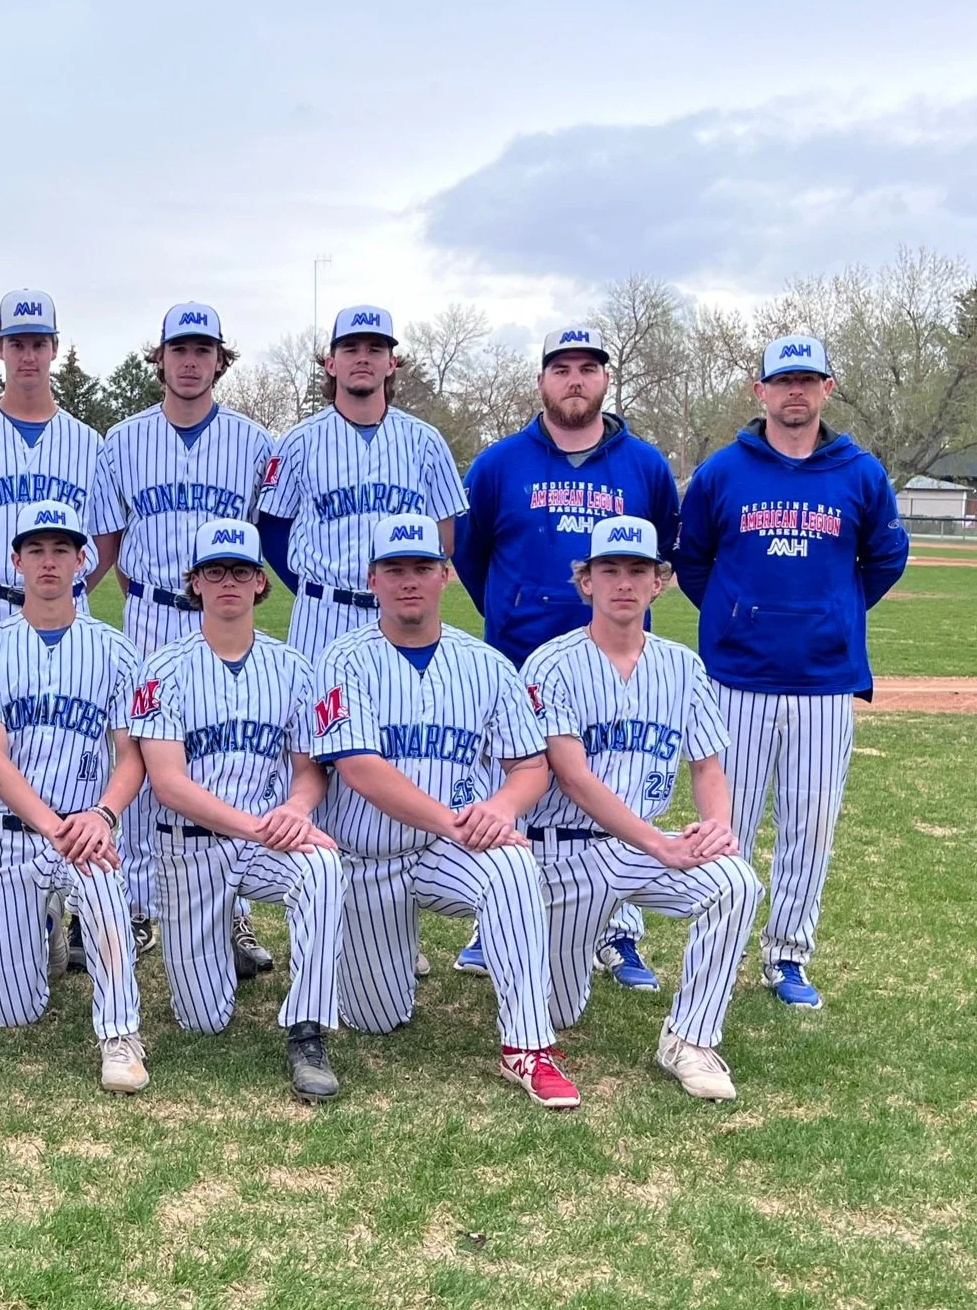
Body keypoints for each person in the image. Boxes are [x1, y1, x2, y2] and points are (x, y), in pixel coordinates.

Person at [311, 514, 578, 1110]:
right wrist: (456, 819)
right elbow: (359, 768)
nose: (410, 581)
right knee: (377, 1018)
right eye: (395, 569)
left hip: (445, 852)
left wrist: (501, 807)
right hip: (365, 858)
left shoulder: (486, 664)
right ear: (372, 579)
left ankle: (528, 1046)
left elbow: (531, 765)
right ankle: (377, 959)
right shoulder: (343, 658)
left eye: (423, 568)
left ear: (446, 576)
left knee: (510, 864)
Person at [674, 335, 909, 1010]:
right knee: (730, 822)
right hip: (738, 678)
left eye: (807, 380)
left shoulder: (858, 472)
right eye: (783, 381)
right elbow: (692, 561)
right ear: (760, 391)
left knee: (810, 823)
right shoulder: (723, 472)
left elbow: (884, 556)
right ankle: (719, 942)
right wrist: (733, 615)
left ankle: (786, 954)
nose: (794, 393)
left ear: (827, 388)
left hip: (824, 679)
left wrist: (835, 610)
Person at [450, 325, 682, 988]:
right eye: (560, 368)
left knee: (617, 780)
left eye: (586, 367)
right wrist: (515, 603)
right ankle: (489, 921)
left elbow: (659, 548)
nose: (573, 379)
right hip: (521, 653)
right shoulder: (498, 463)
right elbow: (470, 554)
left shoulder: (642, 465)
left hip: (612, 658)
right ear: (542, 380)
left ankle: (618, 930)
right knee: (512, 787)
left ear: (605, 378)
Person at [520, 516, 763, 1100]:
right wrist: (658, 843)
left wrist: (718, 828)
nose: (624, 582)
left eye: (639, 571)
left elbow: (707, 766)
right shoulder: (551, 664)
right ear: (586, 583)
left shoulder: (682, 665)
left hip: (641, 849)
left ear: (662, 582)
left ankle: (690, 1038)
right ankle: (529, 958)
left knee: (735, 880)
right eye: (610, 570)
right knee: (559, 1010)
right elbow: (573, 777)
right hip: (563, 854)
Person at [90, 302, 278, 978]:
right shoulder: (121, 440)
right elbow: (105, 545)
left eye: (203, 349)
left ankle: (230, 906)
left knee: (223, 752)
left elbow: (265, 540)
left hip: (224, 616)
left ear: (219, 360)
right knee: (139, 758)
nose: (190, 361)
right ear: (160, 358)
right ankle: (139, 904)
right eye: (179, 349)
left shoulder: (255, 443)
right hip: (150, 610)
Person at [129, 520, 345, 1102]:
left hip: (266, 839)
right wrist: (263, 825)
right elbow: (169, 784)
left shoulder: (294, 667)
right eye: (215, 571)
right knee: (203, 1019)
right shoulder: (161, 670)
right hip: (190, 845)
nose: (229, 581)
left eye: (243, 571)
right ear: (194, 583)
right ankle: (222, 934)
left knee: (324, 868)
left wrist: (298, 810)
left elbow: (309, 767)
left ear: (259, 584)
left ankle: (308, 1030)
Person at [0, 291, 108, 967]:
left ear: (54, 348)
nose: (28, 353)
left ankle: (71, 898)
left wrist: (61, 586)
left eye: (40, 341)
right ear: (1, 349)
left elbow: (105, 537)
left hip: (65, 602)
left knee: (73, 746)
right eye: (17, 341)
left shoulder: (87, 443)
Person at [0, 501, 150, 1094]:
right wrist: (50, 825)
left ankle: (120, 1035)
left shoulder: (116, 650)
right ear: (15, 561)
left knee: (106, 894)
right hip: (11, 838)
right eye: (35, 549)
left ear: (83, 561)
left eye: (62, 549)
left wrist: (103, 814)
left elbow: (132, 755)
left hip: (87, 831)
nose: (48, 561)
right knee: (15, 1012)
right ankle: (49, 931)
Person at [257, 305, 467, 667]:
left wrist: (404, 588)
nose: (363, 358)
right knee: (317, 721)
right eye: (351, 348)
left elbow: (444, 538)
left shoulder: (425, 441)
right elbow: (273, 527)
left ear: (391, 363)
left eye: (375, 348)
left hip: (400, 616)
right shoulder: (298, 441)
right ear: (331, 363)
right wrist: (310, 586)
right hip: (322, 617)